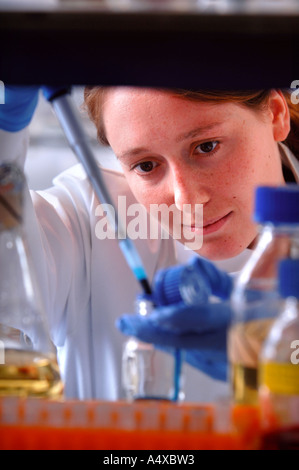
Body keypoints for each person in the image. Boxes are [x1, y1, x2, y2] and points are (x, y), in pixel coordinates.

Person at [0, 86, 298, 401]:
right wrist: (4, 134)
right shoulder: (92, 215)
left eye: (207, 146)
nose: (187, 201)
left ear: (275, 114)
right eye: (146, 165)